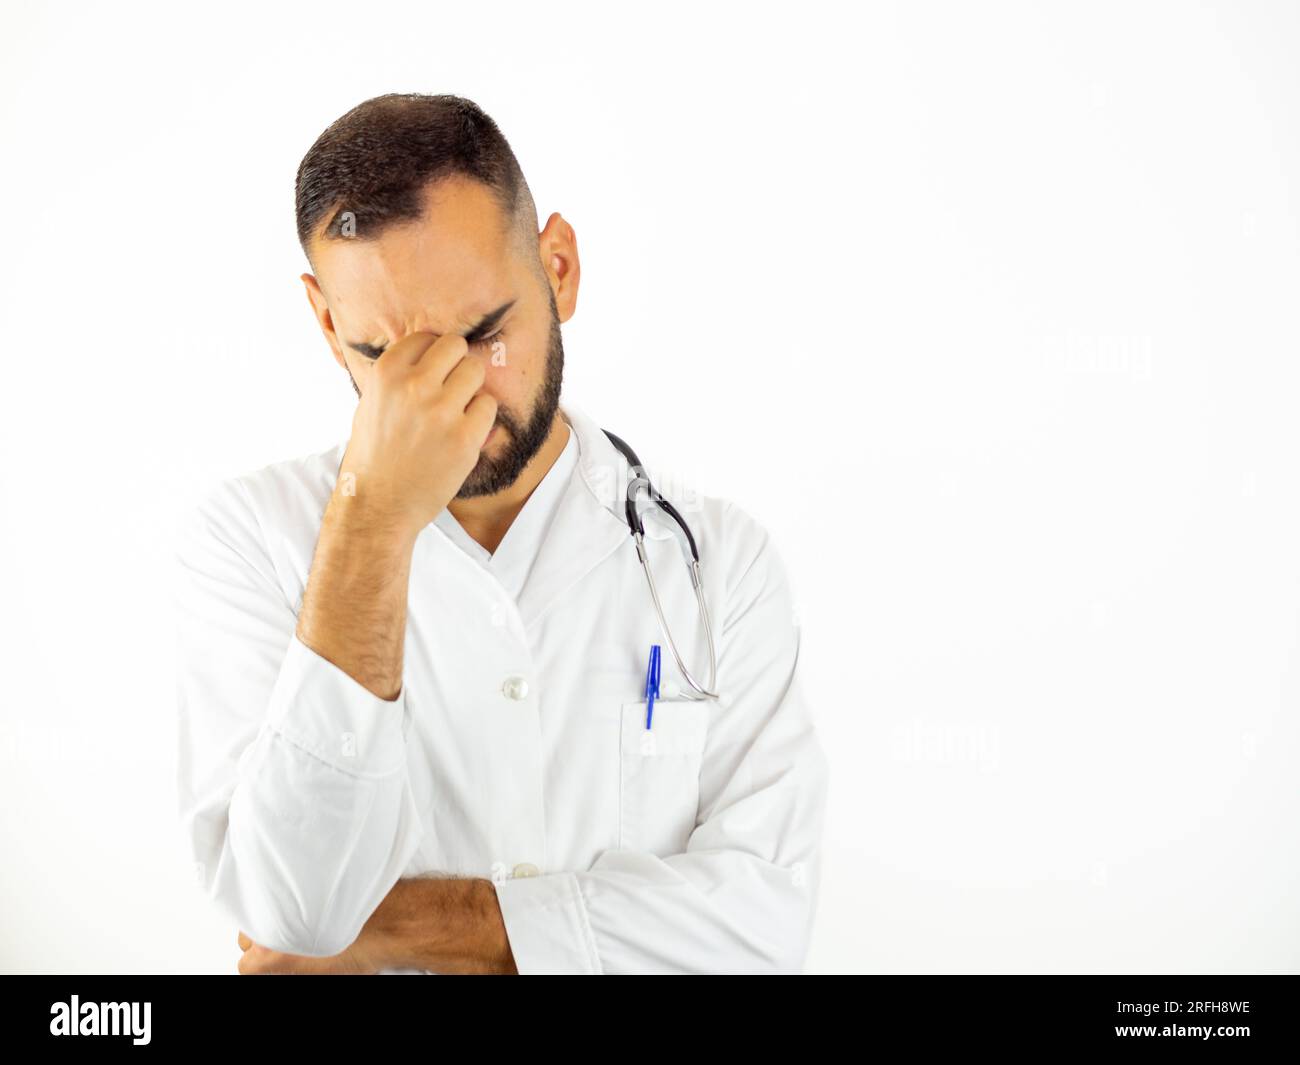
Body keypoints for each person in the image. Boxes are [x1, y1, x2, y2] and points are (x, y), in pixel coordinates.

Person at [174, 93, 830, 974]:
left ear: (558, 267)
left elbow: (762, 928)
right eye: (382, 357)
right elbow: (295, 909)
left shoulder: (718, 563)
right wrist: (371, 522)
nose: (450, 394)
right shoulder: (251, 543)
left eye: (483, 335)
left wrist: (398, 929)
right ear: (328, 325)